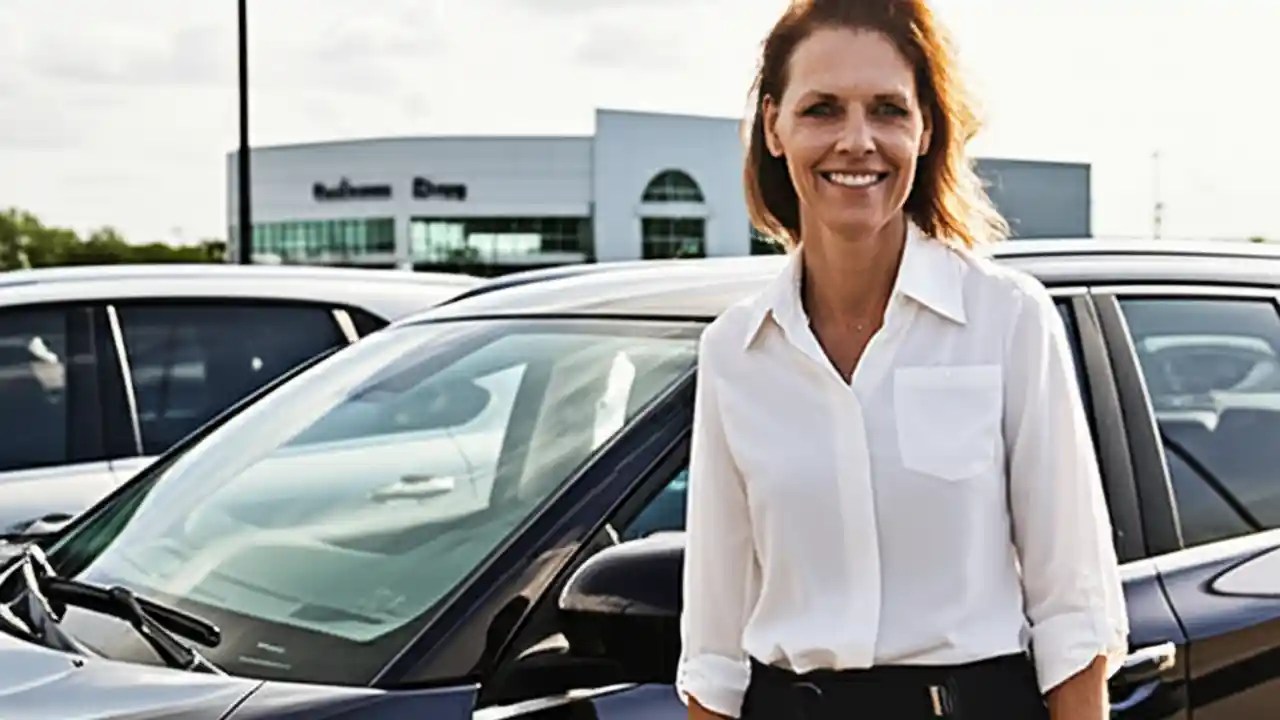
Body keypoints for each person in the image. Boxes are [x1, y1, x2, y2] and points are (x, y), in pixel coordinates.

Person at [677, 1, 1129, 718]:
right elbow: (713, 648)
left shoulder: (1007, 320)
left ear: (924, 131)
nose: (857, 141)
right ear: (774, 127)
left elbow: (1074, 616)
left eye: (887, 110)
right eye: (822, 109)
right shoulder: (735, 350)